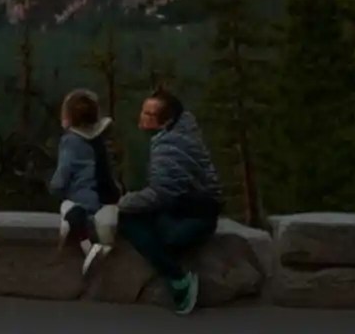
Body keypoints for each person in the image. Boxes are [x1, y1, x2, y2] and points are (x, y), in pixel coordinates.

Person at [117, 87, 224, 316]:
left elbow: (161, 194)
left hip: (196, 213)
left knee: (130, 221)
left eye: (148, 114)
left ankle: (178, 278)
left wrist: (122, 203)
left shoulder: (170, 146)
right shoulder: (180, 133)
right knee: (147, 221)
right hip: (187, 206)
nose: (141, 116)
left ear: (165, 122)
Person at [49, 89, 122, 276]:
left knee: (68, 208)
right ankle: (98, 248)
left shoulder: (71, 142)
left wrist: (54, 189)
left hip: (83, 200)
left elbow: (62, 176)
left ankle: (87, 246)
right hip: (108, 200)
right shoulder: (101, 139)